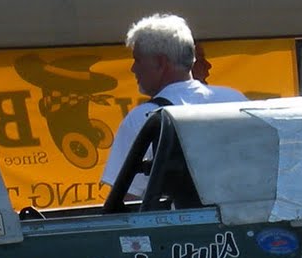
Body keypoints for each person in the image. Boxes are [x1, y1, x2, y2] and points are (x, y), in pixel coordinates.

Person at [100, 13, 246, 197]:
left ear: (161, 62)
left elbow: (128, 200)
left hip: (180, 224)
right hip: (242, 222)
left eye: (137, 59)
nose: (133, 68)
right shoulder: (235, 101)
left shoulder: (144, 118)